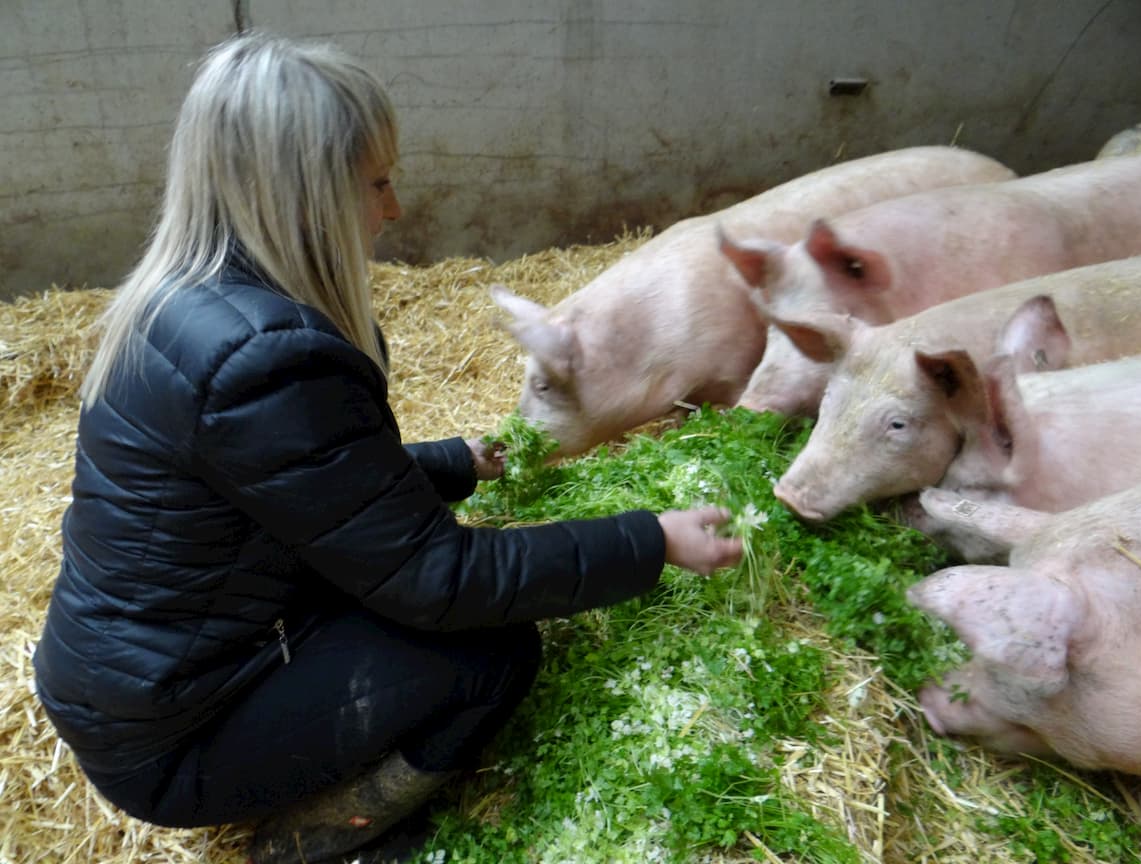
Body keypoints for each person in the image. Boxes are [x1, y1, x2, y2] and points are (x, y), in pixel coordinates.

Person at [32, 31, 744, 864]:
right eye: (377, 182)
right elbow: (440, 584)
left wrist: (450, 462)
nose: (394, 208)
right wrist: (651, 539)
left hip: (131, 687)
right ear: (306, 195)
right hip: (175, 738)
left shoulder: (184, 303)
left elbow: (301, 496)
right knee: (490, 652)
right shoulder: (266, 359)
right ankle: (332, 835)